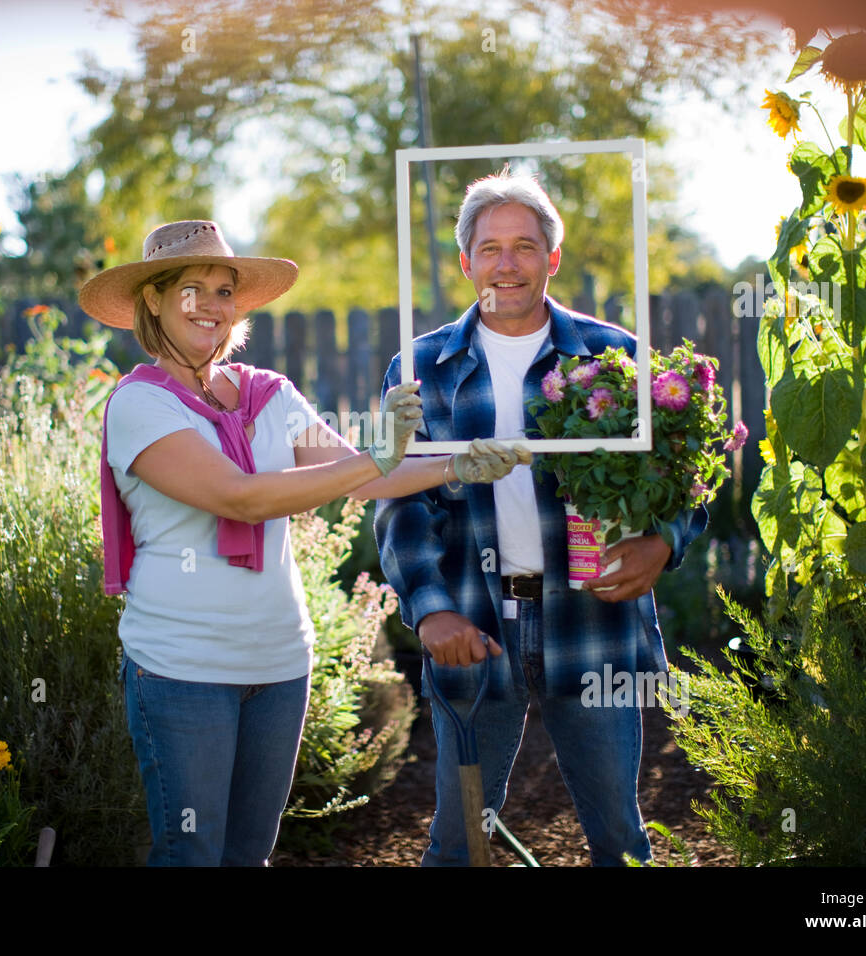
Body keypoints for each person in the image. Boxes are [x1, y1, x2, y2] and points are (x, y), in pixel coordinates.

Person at [79, 220, 532, 866]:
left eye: (224, 289)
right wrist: (375, 460)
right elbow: (243, 496)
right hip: (182, 668)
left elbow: (363, 476)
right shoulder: (139, 405)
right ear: (152, 299)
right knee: (193, 853)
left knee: (249, 856)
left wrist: (459, 463)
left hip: (279, 663)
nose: (212, 305)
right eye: (190, 290)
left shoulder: (268, 395)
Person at [374, 170, 709, 866]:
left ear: (552, 259)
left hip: (592, 622)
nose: (507, 263)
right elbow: (399, 499)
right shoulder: (422, 368)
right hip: (476, 624)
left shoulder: (613, 356)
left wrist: (662, 542)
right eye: (490, 248)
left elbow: (685, 476)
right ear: (465, 262)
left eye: (524, 246)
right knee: (460, 839)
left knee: (619, 838)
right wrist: (430, 609)